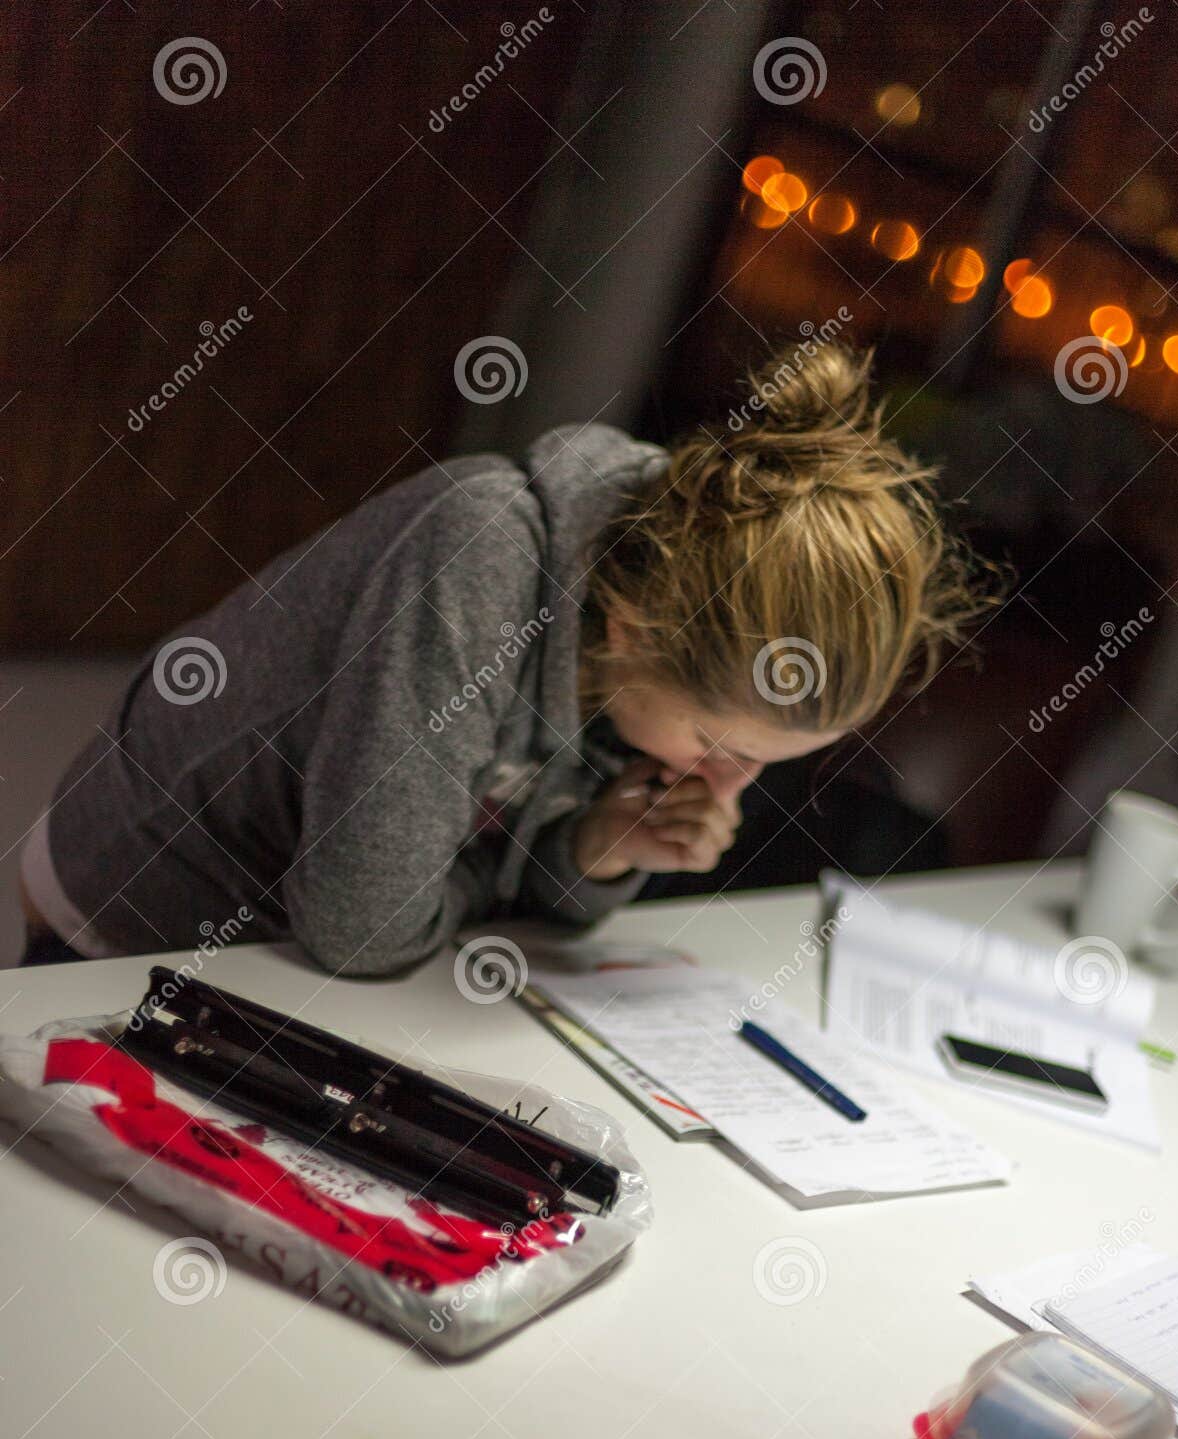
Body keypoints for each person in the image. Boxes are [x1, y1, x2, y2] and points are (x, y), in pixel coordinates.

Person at [19, 340, 990, 975]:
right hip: (146, 912)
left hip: (281, 955)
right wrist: (492, 878)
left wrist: (593, 849)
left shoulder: (649, 591)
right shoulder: (480, 552)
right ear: (630, 630)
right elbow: (361, 926)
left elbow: (508, 891)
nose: (722, 778)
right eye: (713, 741)